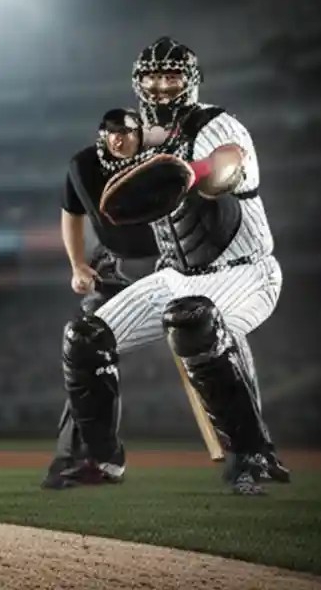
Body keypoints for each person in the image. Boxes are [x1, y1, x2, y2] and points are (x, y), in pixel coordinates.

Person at [58, 37, 289, 495]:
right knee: (85, 339)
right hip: (178, 276)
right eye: (151, 77)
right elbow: (98, 186)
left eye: (171, 77)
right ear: (137, 83)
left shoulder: (217, 124)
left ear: (191, 81)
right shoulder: (140, 140)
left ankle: (253, 453)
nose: (161, 87)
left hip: (244, 270)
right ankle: (103, 460)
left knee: (193, 321)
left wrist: (193, 174)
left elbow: (229, 165)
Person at [42, 109, 160, 489]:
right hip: (114, 266)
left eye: (128, 132)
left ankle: (250, 453)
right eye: (113, 132)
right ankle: (86, 458)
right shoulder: (83, 166)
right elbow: (71, 214)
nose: (121, 139)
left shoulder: (163, 160)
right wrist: (77, 264)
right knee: (84, 344)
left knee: (209, 342)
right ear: (102, 136)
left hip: (168, 264)